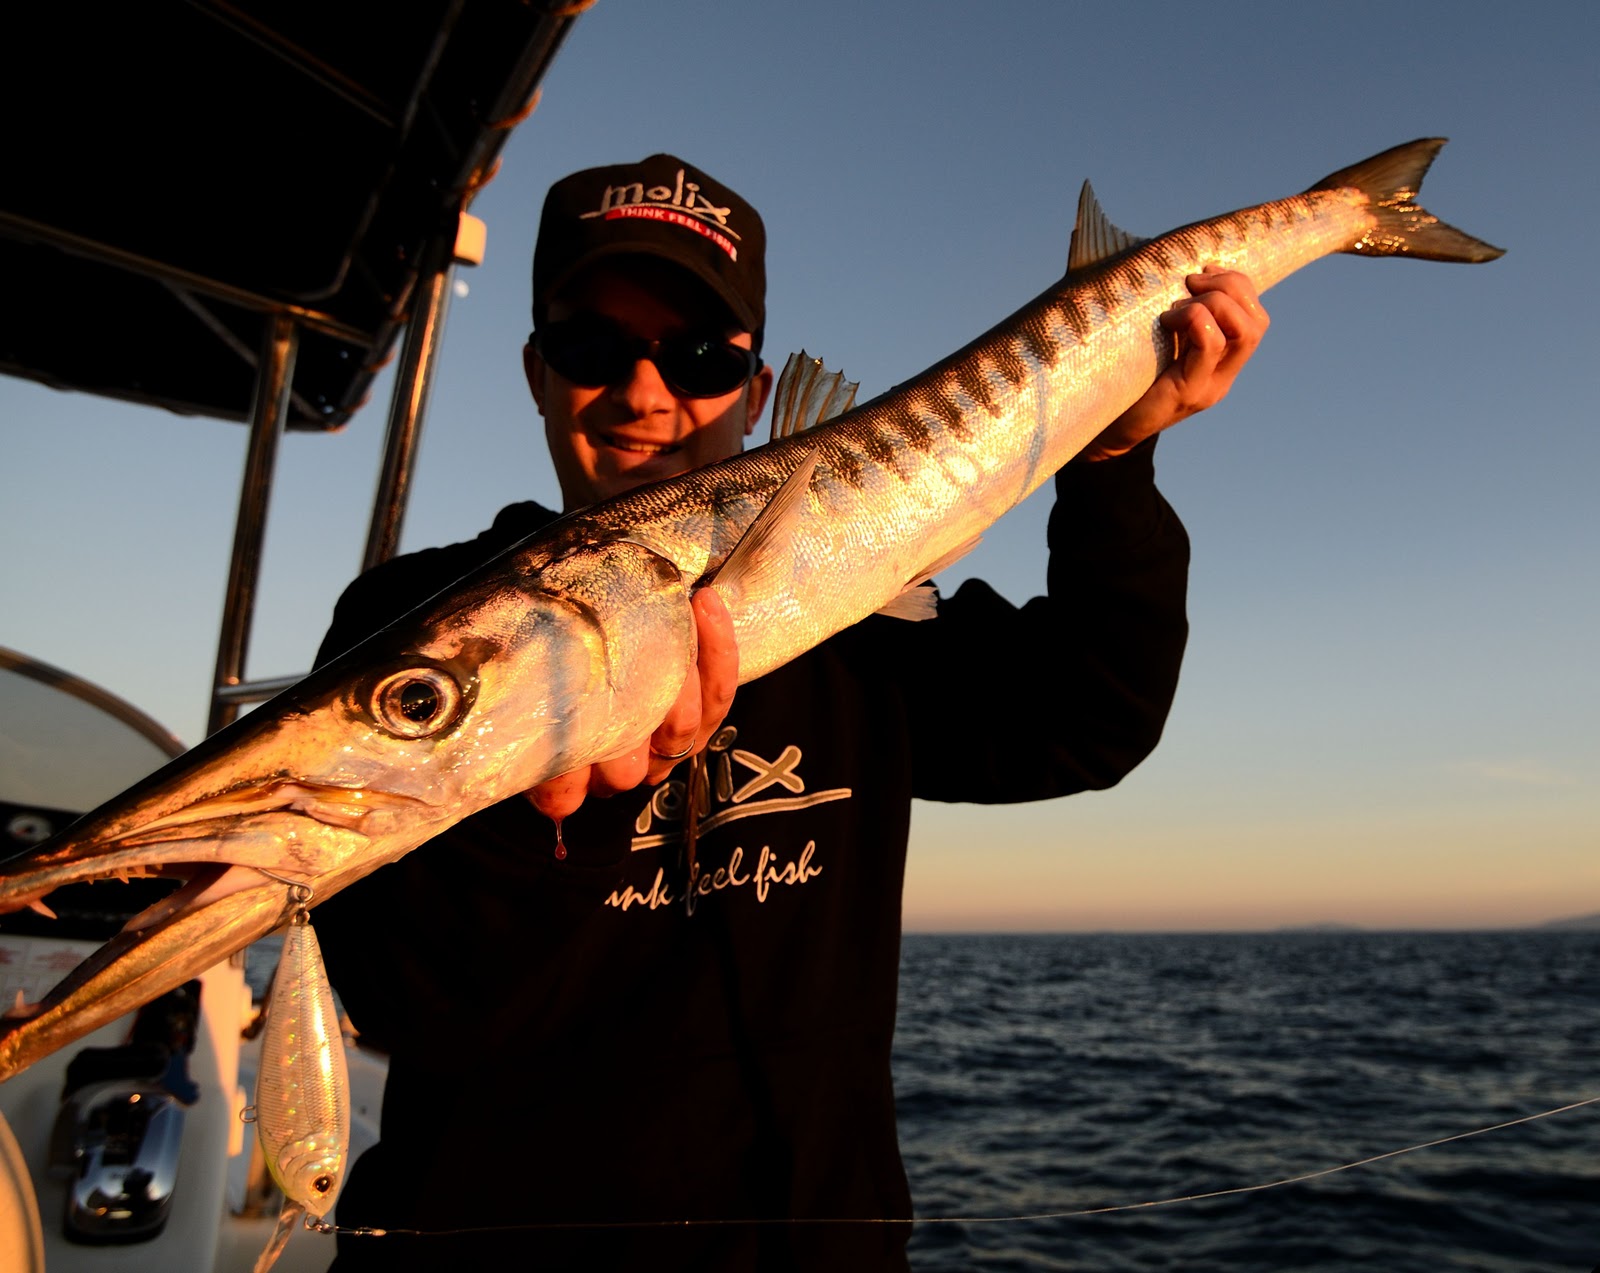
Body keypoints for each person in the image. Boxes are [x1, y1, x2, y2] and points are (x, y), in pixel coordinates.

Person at [314, 154, 1268, 1271]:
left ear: (759, 391)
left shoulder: (853, 621)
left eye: (700, 356)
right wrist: (545, 822)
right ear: (534, 371)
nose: (642, 391)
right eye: (590, 346)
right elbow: (400, 997)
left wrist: (1111, 459)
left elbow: (1086, 718)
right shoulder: (420, 629)